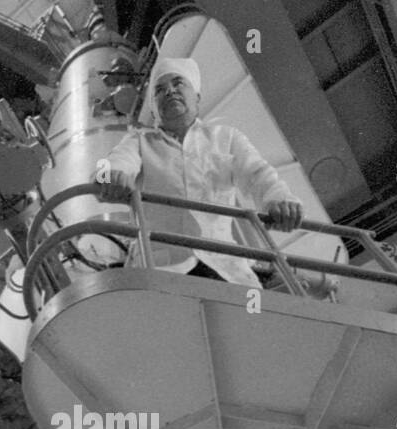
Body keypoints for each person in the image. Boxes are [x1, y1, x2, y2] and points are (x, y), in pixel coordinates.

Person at [98, 57, 304, 287]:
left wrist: (278, 200)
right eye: (160, 90)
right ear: (154, 110)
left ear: (196, 97)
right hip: (159, 271)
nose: (170, 91)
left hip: (224, 270)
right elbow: (112, 163)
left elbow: (258, 174)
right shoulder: (139, 141)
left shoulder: (226, 138)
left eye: (178, 84)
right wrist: (111, 177)